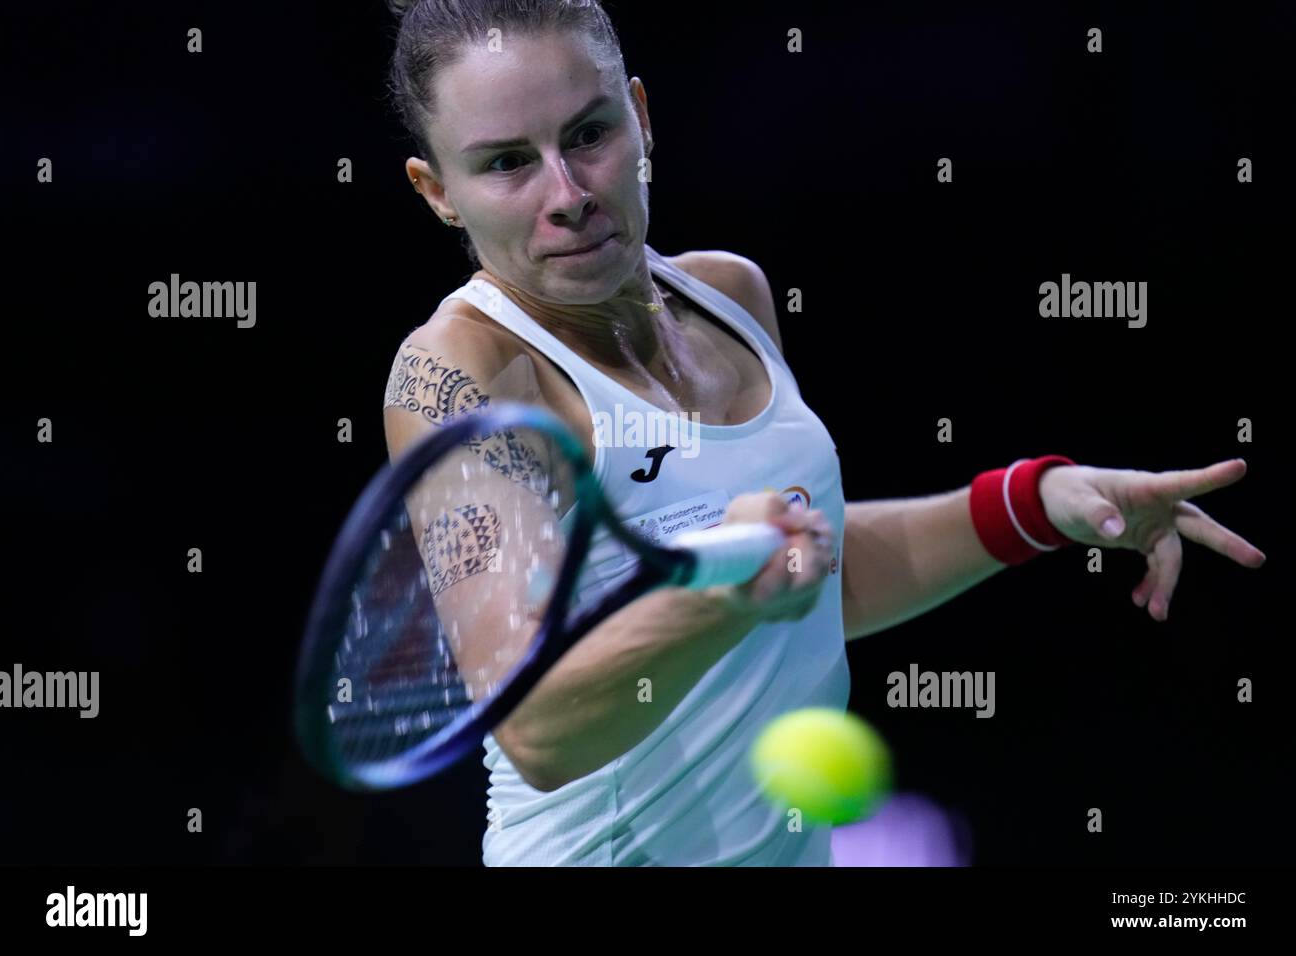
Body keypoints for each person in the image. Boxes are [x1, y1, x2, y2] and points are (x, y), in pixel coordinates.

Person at [380, 0, 1266, 866]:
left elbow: (812, 585)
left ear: (642, 118)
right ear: (437, 193)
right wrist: (723, 593)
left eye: (587, 135)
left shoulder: (731, 295)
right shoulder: (460, 379)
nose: (567, 195)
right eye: (505, 163)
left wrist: (1035, 506)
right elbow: (535, 725)